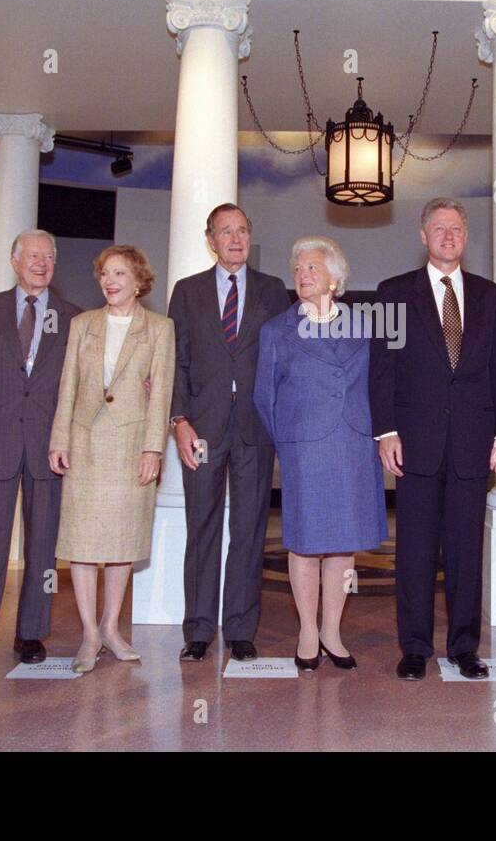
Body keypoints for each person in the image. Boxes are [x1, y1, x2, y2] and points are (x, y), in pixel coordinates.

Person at [371, 197, 496, 681]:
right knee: (413, 551)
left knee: (464, 552)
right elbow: (383, 369)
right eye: (439, 229)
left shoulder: (493, 297)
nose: (448, 236)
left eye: (456, 229)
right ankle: (414, 648)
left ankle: (463, 648)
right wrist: (386, 431)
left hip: (473, 445)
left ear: (466, 236)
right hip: (415, 444)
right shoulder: (392, 293)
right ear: (423, 235)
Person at [254, 237, 388, 671]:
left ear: (336, 278)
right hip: (305, 450)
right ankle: (307, 631)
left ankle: (332, 629)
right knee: (305, 542)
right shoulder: (277, 330)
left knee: (343, 546)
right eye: (299, 268)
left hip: (352, 446)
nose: (303, 274)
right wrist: (289, 442)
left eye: (313, 267)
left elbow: (377, 386)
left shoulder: (364, 326)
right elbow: (263, 397)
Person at [167, 204, 291, 663]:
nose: (235, 239)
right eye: (226, 232)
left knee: (249, 529)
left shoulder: (274, 291)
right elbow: (175, 363)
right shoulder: (187, 292)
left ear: (249, 235)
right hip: (201, 428)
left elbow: (285, 360)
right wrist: (179, 421)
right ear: (210, 239)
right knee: (201, 528)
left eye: (242, 230)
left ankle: (240, 628)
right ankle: (198, 629)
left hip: (255, 430)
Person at [0, 229, 81, 674]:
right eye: (32, 256)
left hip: (50, 449)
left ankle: (31, 632)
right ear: (15, 261)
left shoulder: (73, 318)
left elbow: (87, 383)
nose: (41, 263)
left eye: (48, 256)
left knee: (44, 549)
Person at [48, 245, 174, 673]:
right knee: (82, 544)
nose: (110, 281)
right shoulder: (82, 324)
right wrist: (58, 438)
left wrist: (153, 448)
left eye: (120, 274)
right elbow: (68, 385)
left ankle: (111, 629)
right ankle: (88, 635)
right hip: (84, 443)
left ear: (138, 281)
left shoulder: (160, 328)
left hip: (130, 445)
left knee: (123, 543)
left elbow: (161, 393)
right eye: (105, 274)